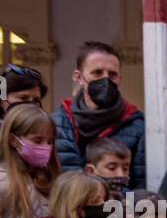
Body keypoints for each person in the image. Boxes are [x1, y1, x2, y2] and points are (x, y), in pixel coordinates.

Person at [52, 42, 146, 189]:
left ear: (119, 78)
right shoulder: (58, 123)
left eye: (112, 74)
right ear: (79, 77)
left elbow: (140, 185)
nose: (106, 79)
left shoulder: (137, 125)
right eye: (97, 73)